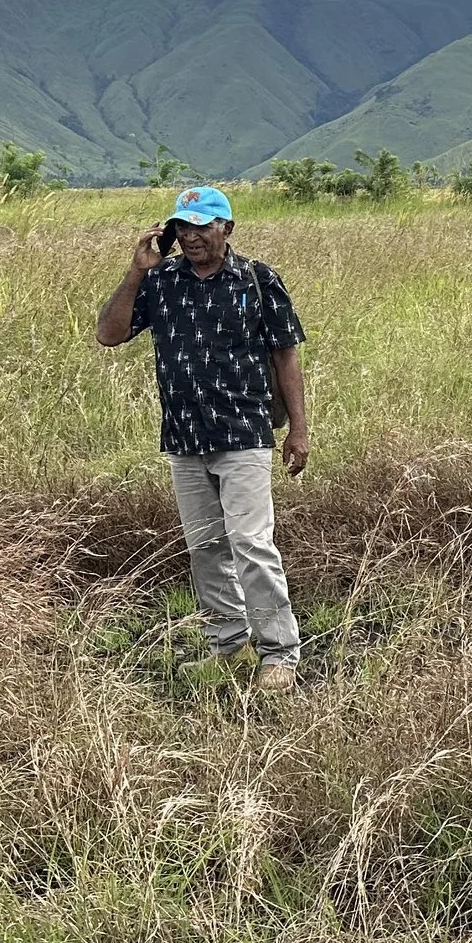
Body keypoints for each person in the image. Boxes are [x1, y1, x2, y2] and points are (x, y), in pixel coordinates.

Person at [96, 184, 312, 693]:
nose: (191, 237)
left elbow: (286, 355)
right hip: (184, 437)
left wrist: (299, 430)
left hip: (243, 435)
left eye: (201, 226)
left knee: (251, 544)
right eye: (182, 228)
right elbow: (109, 334)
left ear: (227, 229)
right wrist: (135, 271)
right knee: (206, 548)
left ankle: (280, 653)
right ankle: (229, 647)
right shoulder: (161, 281)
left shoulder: (258, 280)